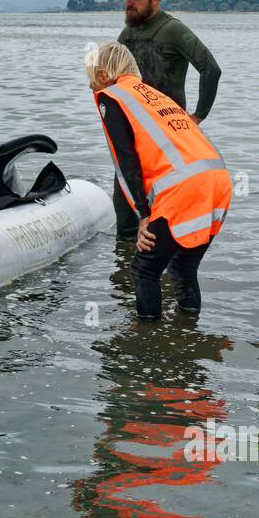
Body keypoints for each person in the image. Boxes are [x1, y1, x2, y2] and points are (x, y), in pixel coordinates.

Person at [88, 41, 232, 320]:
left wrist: (143, 216)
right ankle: (187, 333)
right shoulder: (153, 94)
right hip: (217, 181)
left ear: (104, 75)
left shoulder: (112, 96)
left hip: (185, 188)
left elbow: (125, 161)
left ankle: (148, 347)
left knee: (144, 269)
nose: (91, 87)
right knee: (182, 268)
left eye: (92, 79)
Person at [111, 0, 222, 238]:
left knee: (164, 222)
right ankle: (125, 276)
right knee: (125, 219)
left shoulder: (173, 30)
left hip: (167, 143)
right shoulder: (126, 35)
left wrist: (197, 116)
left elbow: (211, 69)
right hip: (132, 140)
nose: (129, 2)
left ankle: (166, 273)